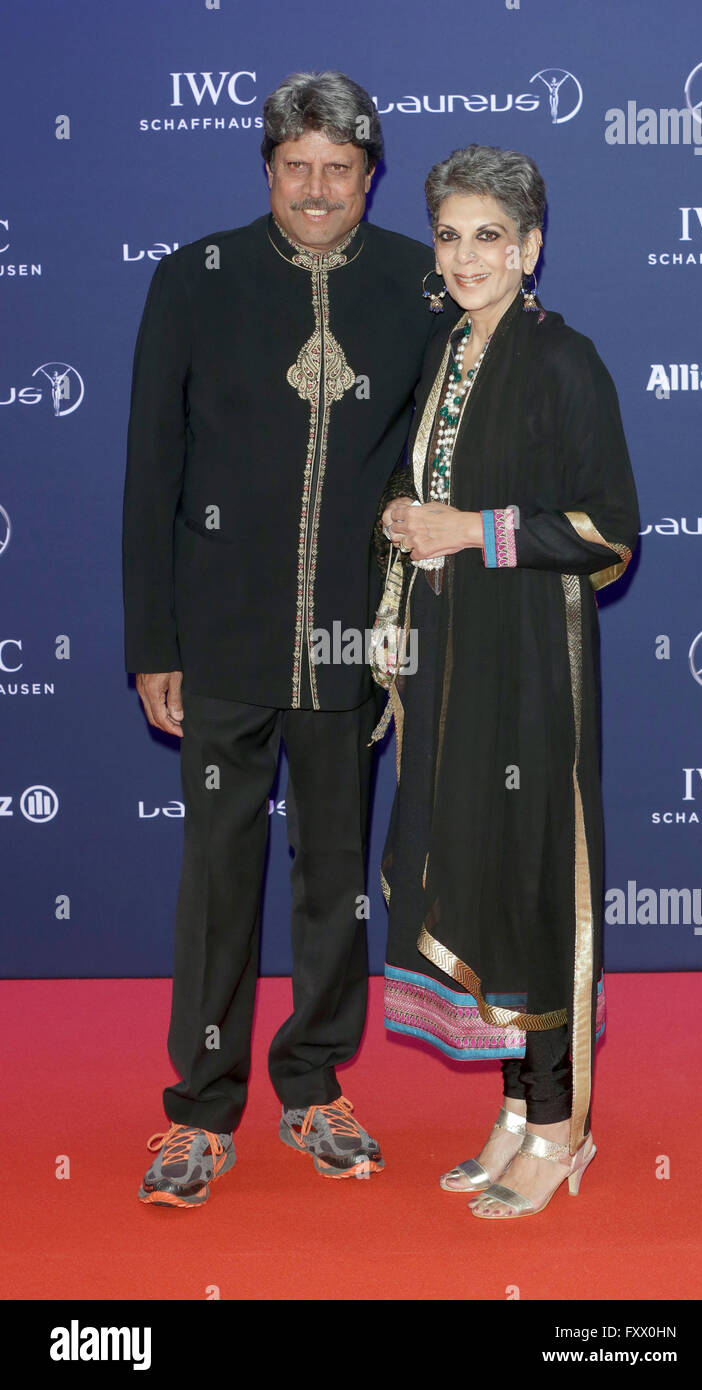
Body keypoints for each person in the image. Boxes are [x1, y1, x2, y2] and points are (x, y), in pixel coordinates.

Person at [122, 71, 450, 1205]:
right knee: (218, 873)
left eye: (339, 171)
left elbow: (449, 458)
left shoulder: (420, 285)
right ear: (267, 170)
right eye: (295, 167)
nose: (316, 190)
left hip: (354, 643)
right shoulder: (193, 280)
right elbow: (149, 475)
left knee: (334, 878)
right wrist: (151, 639)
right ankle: (201, 1109)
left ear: (370, 177)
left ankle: (312, 1084)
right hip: (220, 636)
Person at [380, 144, 640, 1219]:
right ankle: (513, 1103)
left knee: (536, 882)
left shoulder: (562, 358)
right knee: (477, 874)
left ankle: (560, 1122)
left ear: (530, 249)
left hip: (531, 662)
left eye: (489, 235)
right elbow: (426, 490)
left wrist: (473, 531)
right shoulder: (445, 351)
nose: (465, 255)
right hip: (453, 661)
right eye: (449, 234)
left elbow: (606, 532)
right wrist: (402, 528)